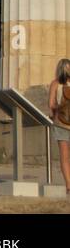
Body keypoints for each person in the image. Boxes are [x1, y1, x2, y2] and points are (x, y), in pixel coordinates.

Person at [49, 58, 70, 191]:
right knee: (65, 156)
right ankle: (68, 184)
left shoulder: (55, 84)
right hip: (61, 124)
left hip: (60, 122)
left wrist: (57, 110)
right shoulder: (56, 84)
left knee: (64, 156)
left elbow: (51, 105)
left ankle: (69, 185)